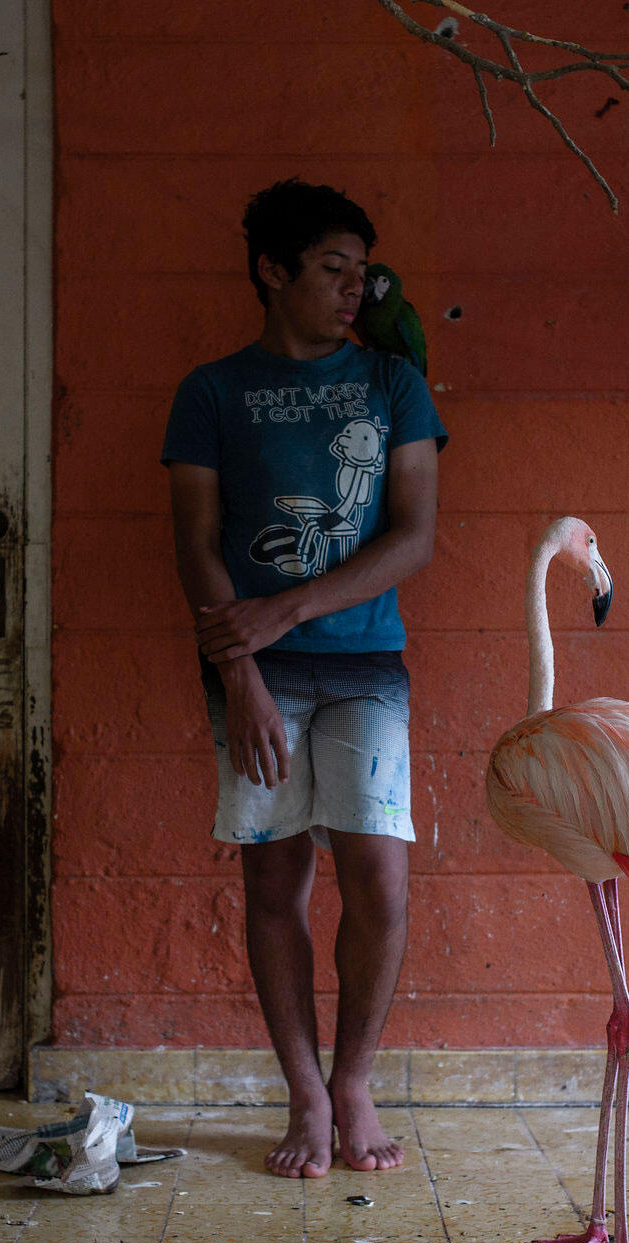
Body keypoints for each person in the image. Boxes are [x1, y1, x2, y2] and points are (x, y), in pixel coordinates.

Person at [163, 180, 445, 1177]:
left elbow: (411, 538)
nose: (352, 292)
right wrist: (237, 672)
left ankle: (355, 1079)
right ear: (270, 271)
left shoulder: (392, 383)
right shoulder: (210, 392)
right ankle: (305, 1100)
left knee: (378, 879)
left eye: (361, 273)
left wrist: (284, 606)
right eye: (332, 270)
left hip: (364, 665)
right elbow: (195, 546)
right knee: (273, 878)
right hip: (252, 675)